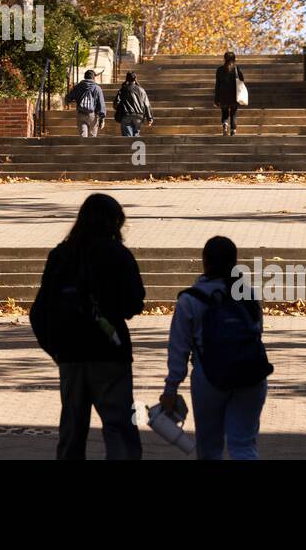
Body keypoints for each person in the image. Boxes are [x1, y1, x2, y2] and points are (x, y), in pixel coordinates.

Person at [30, 193, 146, 460]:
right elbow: (134, 302)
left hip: (71, 355)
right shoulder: (118, 254)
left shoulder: (61, 255)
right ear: (114, 222)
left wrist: (56, 349)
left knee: (72, 429)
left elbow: (38, 312)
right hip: (110, 352)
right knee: (119, 427)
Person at [160, 235, 272, 460]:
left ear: (205, 261)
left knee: (210, 448)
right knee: (243, 444)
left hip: (209, 378)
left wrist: (171, 389)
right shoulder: (247, 295)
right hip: (251, 375)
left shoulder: (190, 299)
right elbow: (257, 332)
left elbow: (179, 349)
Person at [64, 69, 106, 137]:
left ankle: (83, 147)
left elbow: (69, 98)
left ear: (84, 77)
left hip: (81, 113)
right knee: (92, 136)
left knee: (83, 136)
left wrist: (67, 102)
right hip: (92, 115)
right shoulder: (97, 88)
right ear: (93, 78)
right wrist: (102, 118)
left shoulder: (78, 87)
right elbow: (101, 103)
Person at [214, 51, 245, 137]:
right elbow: (242, 80)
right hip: (234, 95)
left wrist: (216, 99)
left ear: (224, 59)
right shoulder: (236, 68)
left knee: (224, 112)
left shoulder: (219, 70)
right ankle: (233, 130)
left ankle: (225, 124)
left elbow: (217, 85)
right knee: (233, 113)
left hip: (223, 95)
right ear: (234, 59)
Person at [114, 70, 153, 137]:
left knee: (127, 137)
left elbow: (116, 103)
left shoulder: (123, 89)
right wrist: (149, 118)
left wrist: (120, 109)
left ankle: (129, 147)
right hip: (139, 116)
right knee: (136, 136)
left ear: (127, 78)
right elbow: (146, 104)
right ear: (135, 78)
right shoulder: (141, 90)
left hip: (126, 115)